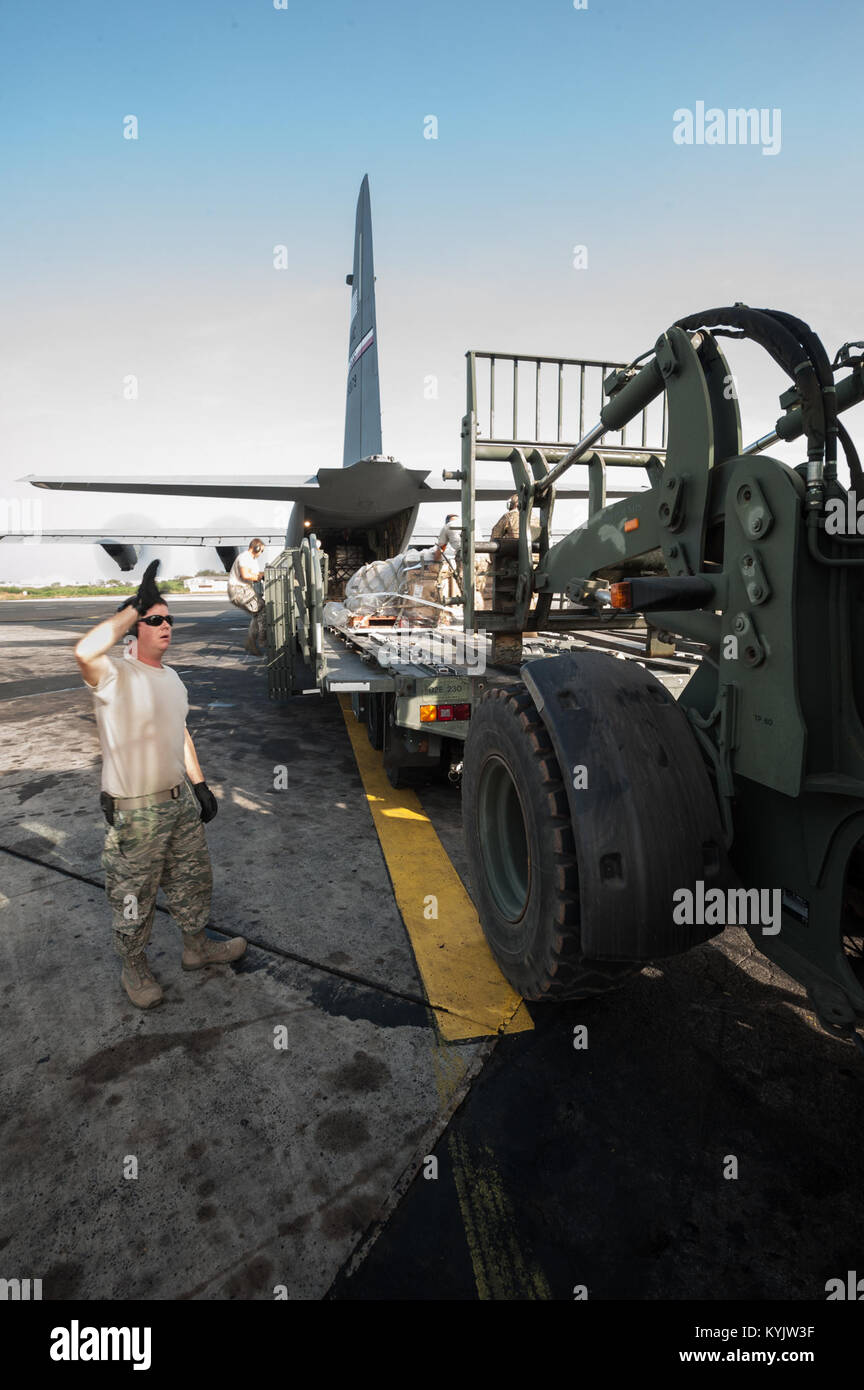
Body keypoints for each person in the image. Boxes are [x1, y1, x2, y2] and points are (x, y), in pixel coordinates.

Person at [74, 560, 246, 1010]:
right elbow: (83, 653)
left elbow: (180, 732)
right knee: (134, 896)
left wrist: (200, 784)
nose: (166, 625)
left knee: (193, 882)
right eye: (156, 619)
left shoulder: (171, 678)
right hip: (137, 812)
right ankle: (134, 967)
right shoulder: (115, 675)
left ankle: (196, 948)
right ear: (134, 631)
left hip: (180, 803)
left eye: (169, 619)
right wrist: (134, 606)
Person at [227, 539, 267, 656]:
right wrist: (258, 577)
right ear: (257, 548)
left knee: (259, 611)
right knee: (263, 609)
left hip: (243, 590)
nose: (261, 553)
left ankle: (252, 641)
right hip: (239, 590)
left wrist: (263, 574)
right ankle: (260, 639)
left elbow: (254, 573)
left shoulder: (251, 559)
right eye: (262, 550)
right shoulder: (245, 557)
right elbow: (245, 575)